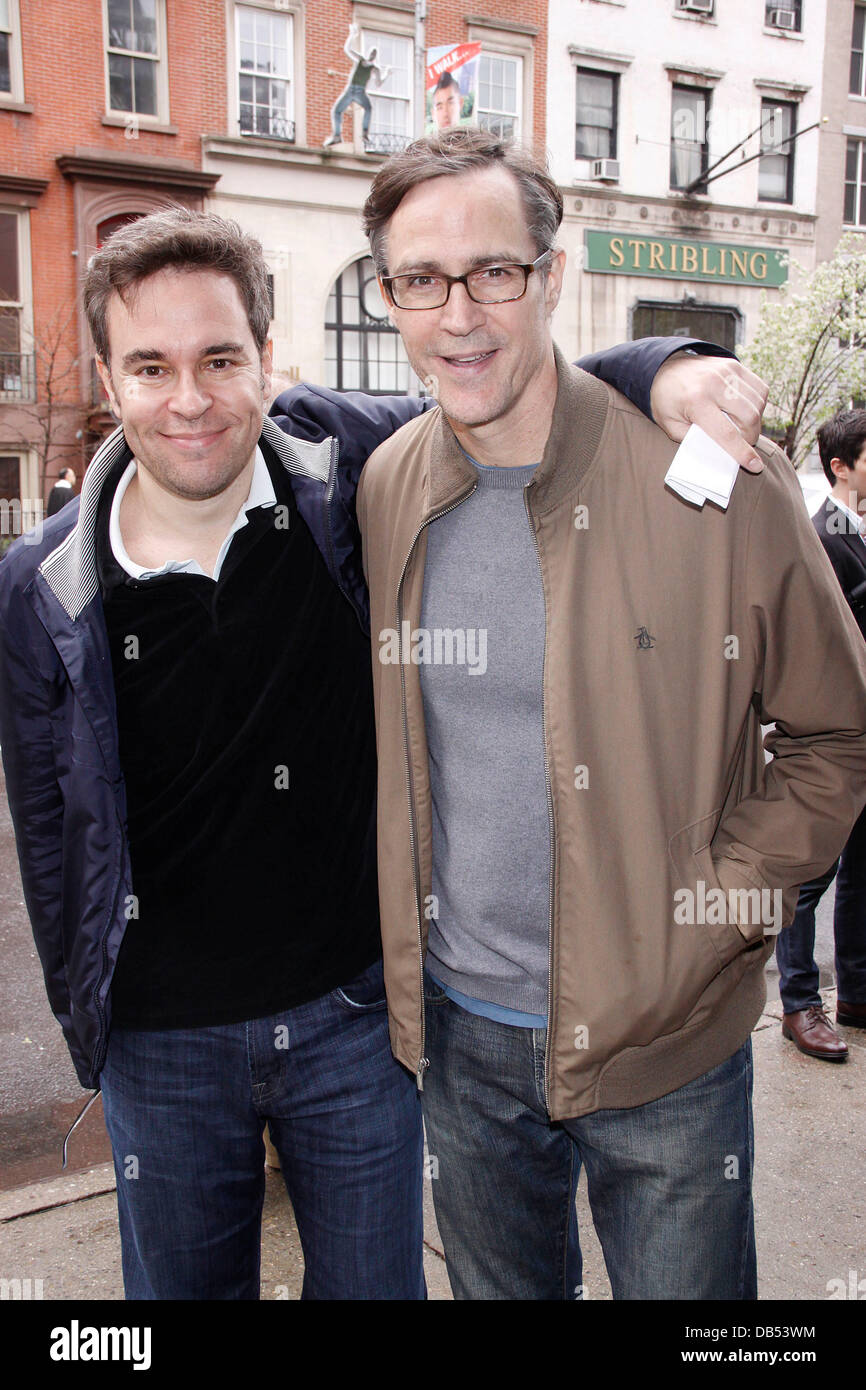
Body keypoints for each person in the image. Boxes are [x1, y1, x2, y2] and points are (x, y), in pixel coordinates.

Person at [0, 205, 772, 1302]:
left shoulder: (336, 461)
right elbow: (48, 832)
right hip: (162, 1045)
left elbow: (503, 384)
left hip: (352, 1026)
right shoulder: (37, 589)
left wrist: (667, 364)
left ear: (268, 358)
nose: (189, 398)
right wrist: (96, 1024)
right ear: (108, 377)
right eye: (152, 365)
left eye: (221, 357)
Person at [355, 129, 866, 1300]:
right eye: (420, 281)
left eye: (495, 271)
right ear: (389, 297)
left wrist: (712, 916)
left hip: (668, 1046)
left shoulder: (714, 474)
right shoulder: (389, 485)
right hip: (461, 1048)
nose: (461, 313)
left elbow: (834, 733)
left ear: (550, 273)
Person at [778, 409, 866, 1061]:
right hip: (834, 732)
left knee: (863, 868)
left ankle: (856, 993)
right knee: (810, 874)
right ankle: (800, 1004)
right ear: (841, 466)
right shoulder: (822, 537)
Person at [324, 23, 391, 154]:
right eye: (371, 52)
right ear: (369, 53)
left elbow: (378, 83)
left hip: (359, 91)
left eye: (374, 53)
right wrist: (352, 35)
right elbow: (347, 49)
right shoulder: (360, 60)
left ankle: (365, 132)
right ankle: (337, 136)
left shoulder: (374, 68)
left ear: (375, 56)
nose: (372, 55)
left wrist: (387, 72)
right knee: (337, 111)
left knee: (368, 108)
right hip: (352, 90)